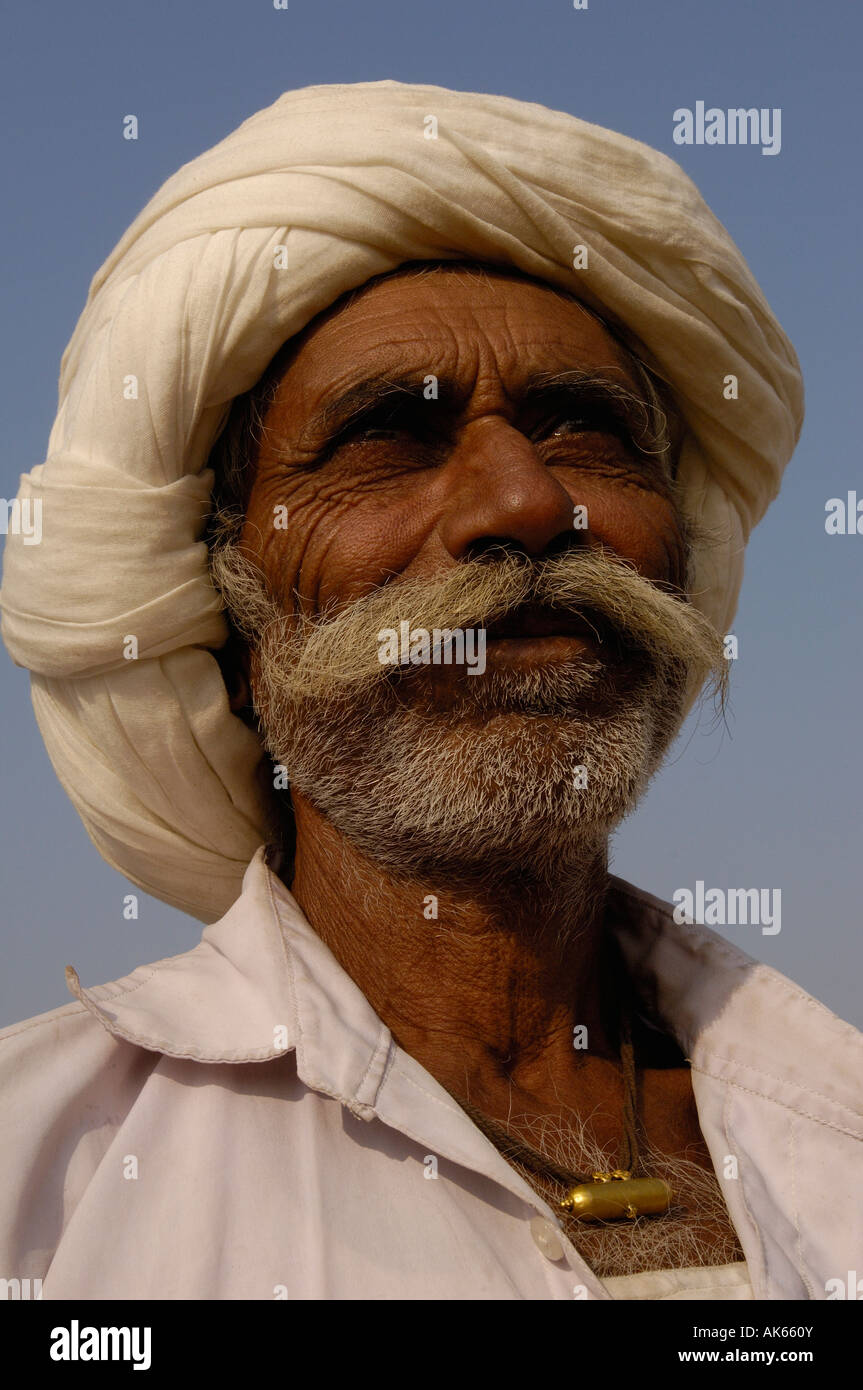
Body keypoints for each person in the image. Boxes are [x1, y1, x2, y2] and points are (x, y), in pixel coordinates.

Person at [1, 81, 858, 1302]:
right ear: (223, 605)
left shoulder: (830, 1126)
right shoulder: (46, 1191)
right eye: (387, 439)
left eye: (582, 430)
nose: (523, 504)